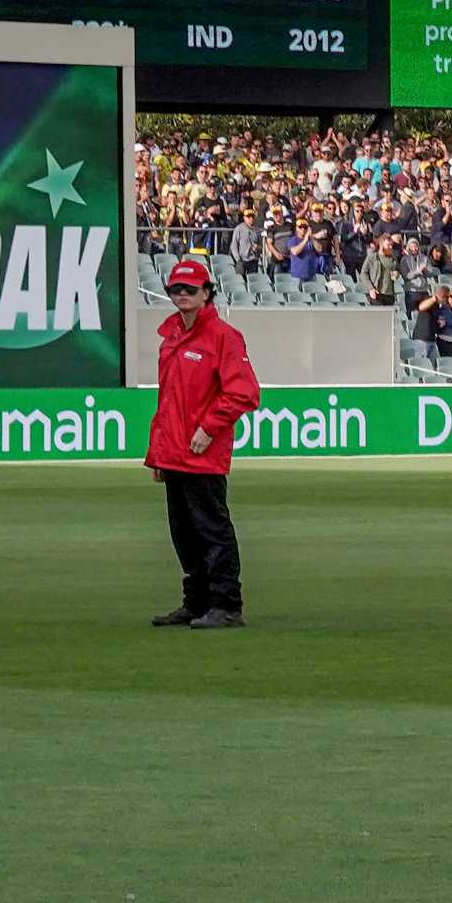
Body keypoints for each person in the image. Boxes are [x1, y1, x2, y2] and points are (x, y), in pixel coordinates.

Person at [146, 257, 263, 630]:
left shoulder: (223, 337)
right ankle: (196, 602)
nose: (181, 295)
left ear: (206, 293)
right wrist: (159, 455)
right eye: (175, 289)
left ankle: (226, 604)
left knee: (211, 530)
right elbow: (168, 401)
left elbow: (244, 392)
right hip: (176, 452)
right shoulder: (172, 337)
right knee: (183, 534)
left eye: (189, 289)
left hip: (203, 454)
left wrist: (209, 428)